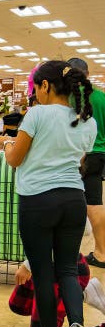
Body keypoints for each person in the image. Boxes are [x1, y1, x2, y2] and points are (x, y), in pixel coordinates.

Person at [0, 59, 97, 327]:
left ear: (45, 86)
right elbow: (77, 160)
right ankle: (77, 326)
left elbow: (15, 159)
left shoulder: (37, 114)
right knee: (67, 268)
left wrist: (6, 144)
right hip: (73, 199)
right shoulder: (88, 121)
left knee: (43, 273)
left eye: (35, 88)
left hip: (37, 201)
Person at [10, 255, 105, 327]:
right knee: (19, 305)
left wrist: (28, 265)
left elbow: (54, 241)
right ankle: (80, 294)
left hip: (65, 271)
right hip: (46, 265)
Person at [67, 58, 105, 269]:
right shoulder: (101, 96)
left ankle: (101, 252)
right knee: (92, 202)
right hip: (99, 154)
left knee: (90, 204)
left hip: (83, 154)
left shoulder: (72, 97)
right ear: (87, 73)